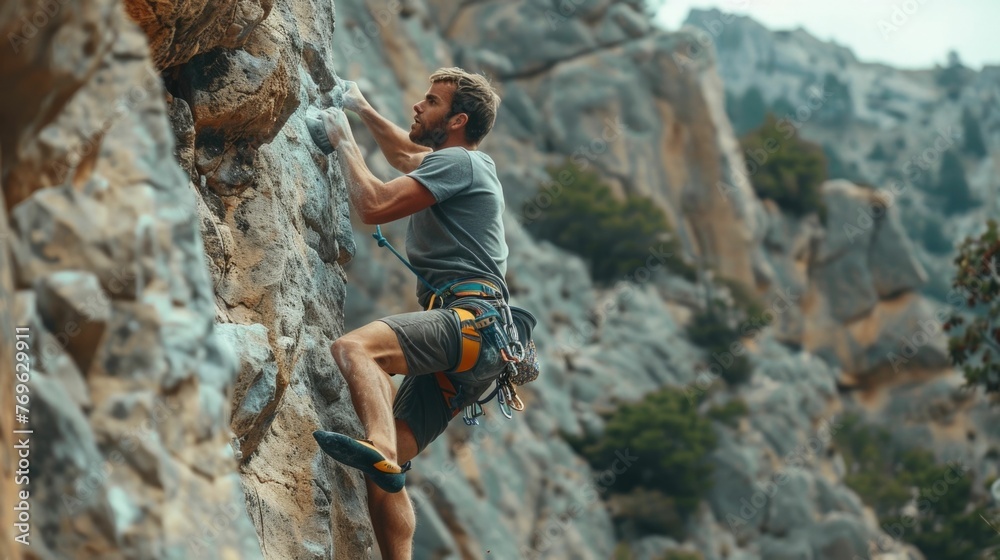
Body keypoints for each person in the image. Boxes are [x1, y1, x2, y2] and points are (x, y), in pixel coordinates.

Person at [311, 68, 510, 560]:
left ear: (458, 120)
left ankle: (379, 448)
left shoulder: (463, 161)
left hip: (470, 320)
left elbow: (374, 204)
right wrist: (362, 108)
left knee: (355, 350)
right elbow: (404, 154)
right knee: (387, 472)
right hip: (483, 348)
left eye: (432, 101)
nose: (418, 106)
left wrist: (343, 139)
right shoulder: (457, 165)